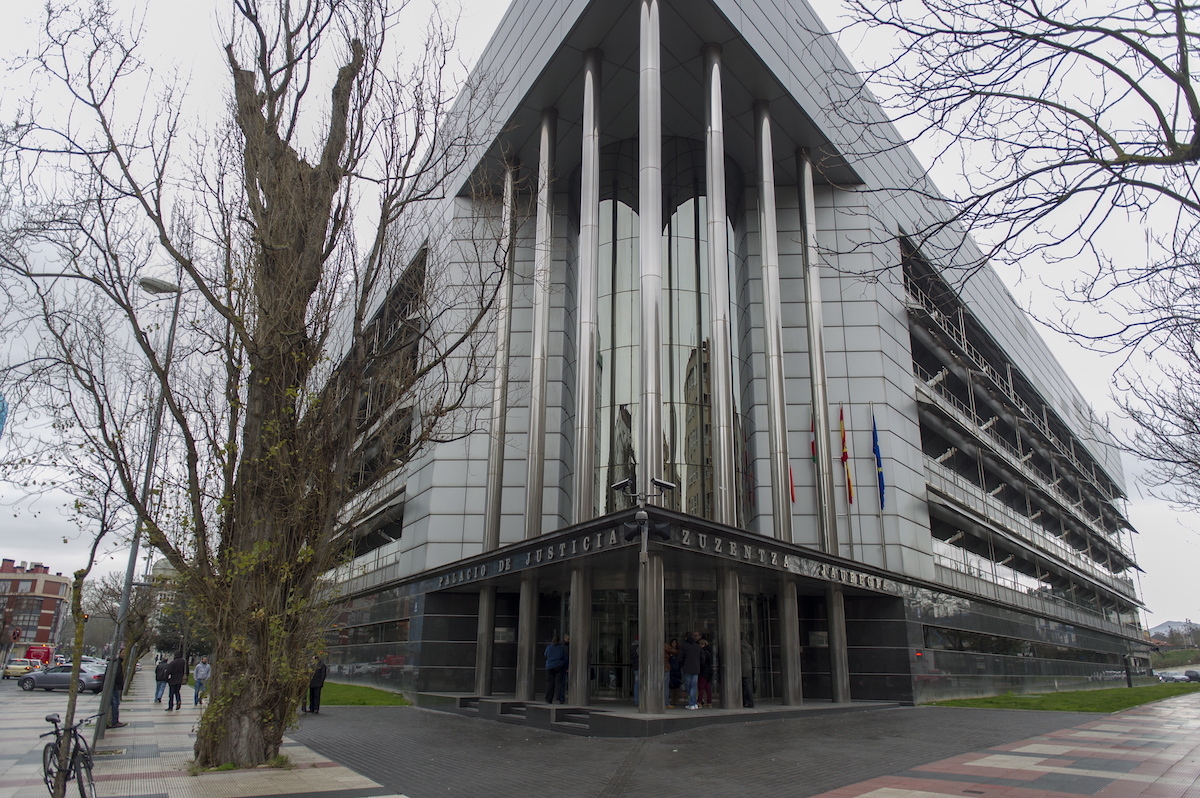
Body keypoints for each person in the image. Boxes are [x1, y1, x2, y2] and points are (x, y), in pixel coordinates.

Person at [680, 631, 703, 710]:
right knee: (693, 686)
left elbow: (680, 657)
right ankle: (693, 703)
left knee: (688, 686)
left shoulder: (683, 646)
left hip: (687, 668)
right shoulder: (697, 646)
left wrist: (679, 665)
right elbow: (702, 657)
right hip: (696, 668)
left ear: (686, 638)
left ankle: (692, 702)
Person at [544, 635, 567, 704]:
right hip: (559, 665)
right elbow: (565, 657)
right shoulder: (561, 648)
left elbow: (545, 655)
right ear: (559, 641)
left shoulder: (548, 647)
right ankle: (560, 698)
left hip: (549, 666)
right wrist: (566, 666)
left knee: (549, 683)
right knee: (559, 683)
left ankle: (548, 699)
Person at [107, 648, 127, 728]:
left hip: (114, 686)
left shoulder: (116, 663)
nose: (124, 655)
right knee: (115, 703)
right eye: (123, 653)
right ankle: (114, 721)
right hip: (115, 687)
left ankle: (113, 720)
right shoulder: (116, 663)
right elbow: (117, 675)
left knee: (114, 703)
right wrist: (119, 683)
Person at [663, 638, 679, 708]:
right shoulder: (664, 646)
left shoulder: (651, 646)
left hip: (655, 667)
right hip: (665, 667)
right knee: (665, 686)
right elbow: (674, 651)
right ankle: (666, 703)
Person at [698, 638, 714, 708]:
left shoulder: (703, 652)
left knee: (701, 687)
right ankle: (709, 702)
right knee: (708, 687)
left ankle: (699, 701)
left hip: (704, 671)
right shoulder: (709, 651)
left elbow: (702, 662)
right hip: (709, 671)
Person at [741, 636, 755, 708]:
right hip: (748, 667)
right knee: (746, 684)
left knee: (745, 685)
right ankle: (747, 701)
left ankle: (749, 701)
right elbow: (753, 657)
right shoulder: (748, 646)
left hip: (742, 667)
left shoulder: (739, 645)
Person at [558, 634, 571, 703]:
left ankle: (561, 697)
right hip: (563, 666)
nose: (569, 641)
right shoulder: (563, 646)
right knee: (562, 682)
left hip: (564, 666)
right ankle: (561, 698)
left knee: (562, 682)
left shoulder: (561, 646)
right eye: (568, 639)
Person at [631, 636, 640, 704]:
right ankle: (637, 699)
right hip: (639, 667)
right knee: (638, 683)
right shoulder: (638, 647)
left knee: (637, 683)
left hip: (635, 667)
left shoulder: (633, 647)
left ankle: (636, 699)